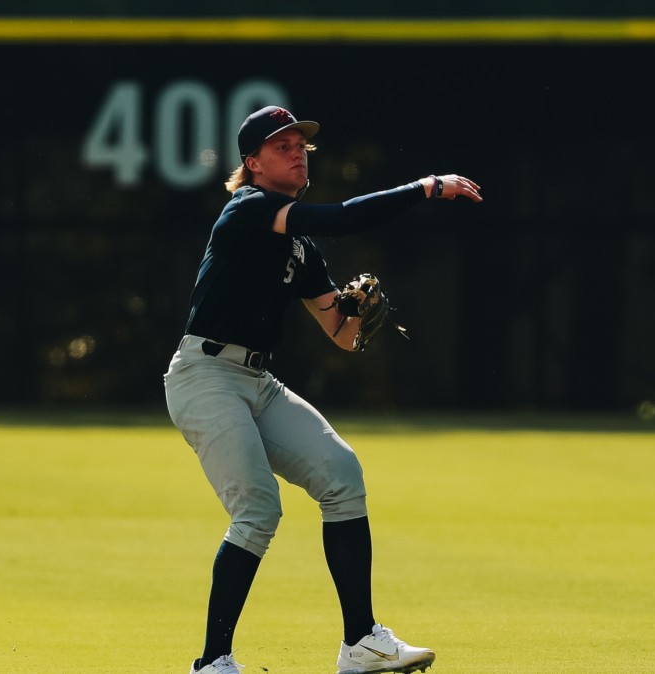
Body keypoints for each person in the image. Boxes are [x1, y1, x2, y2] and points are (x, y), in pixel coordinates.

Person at [163, 105, 482, 674]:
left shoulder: (300, 247)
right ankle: (213, 662)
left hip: (255, 380)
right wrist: (425, 187)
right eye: (280, 144)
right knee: (258, 510)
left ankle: (360, 642)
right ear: (252, 163)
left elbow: (341, 333)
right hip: (205, 375)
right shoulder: (248, 209)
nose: (296, 150)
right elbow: (340, 217)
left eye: (299, 143)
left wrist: (362, 310)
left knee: (342, 475)